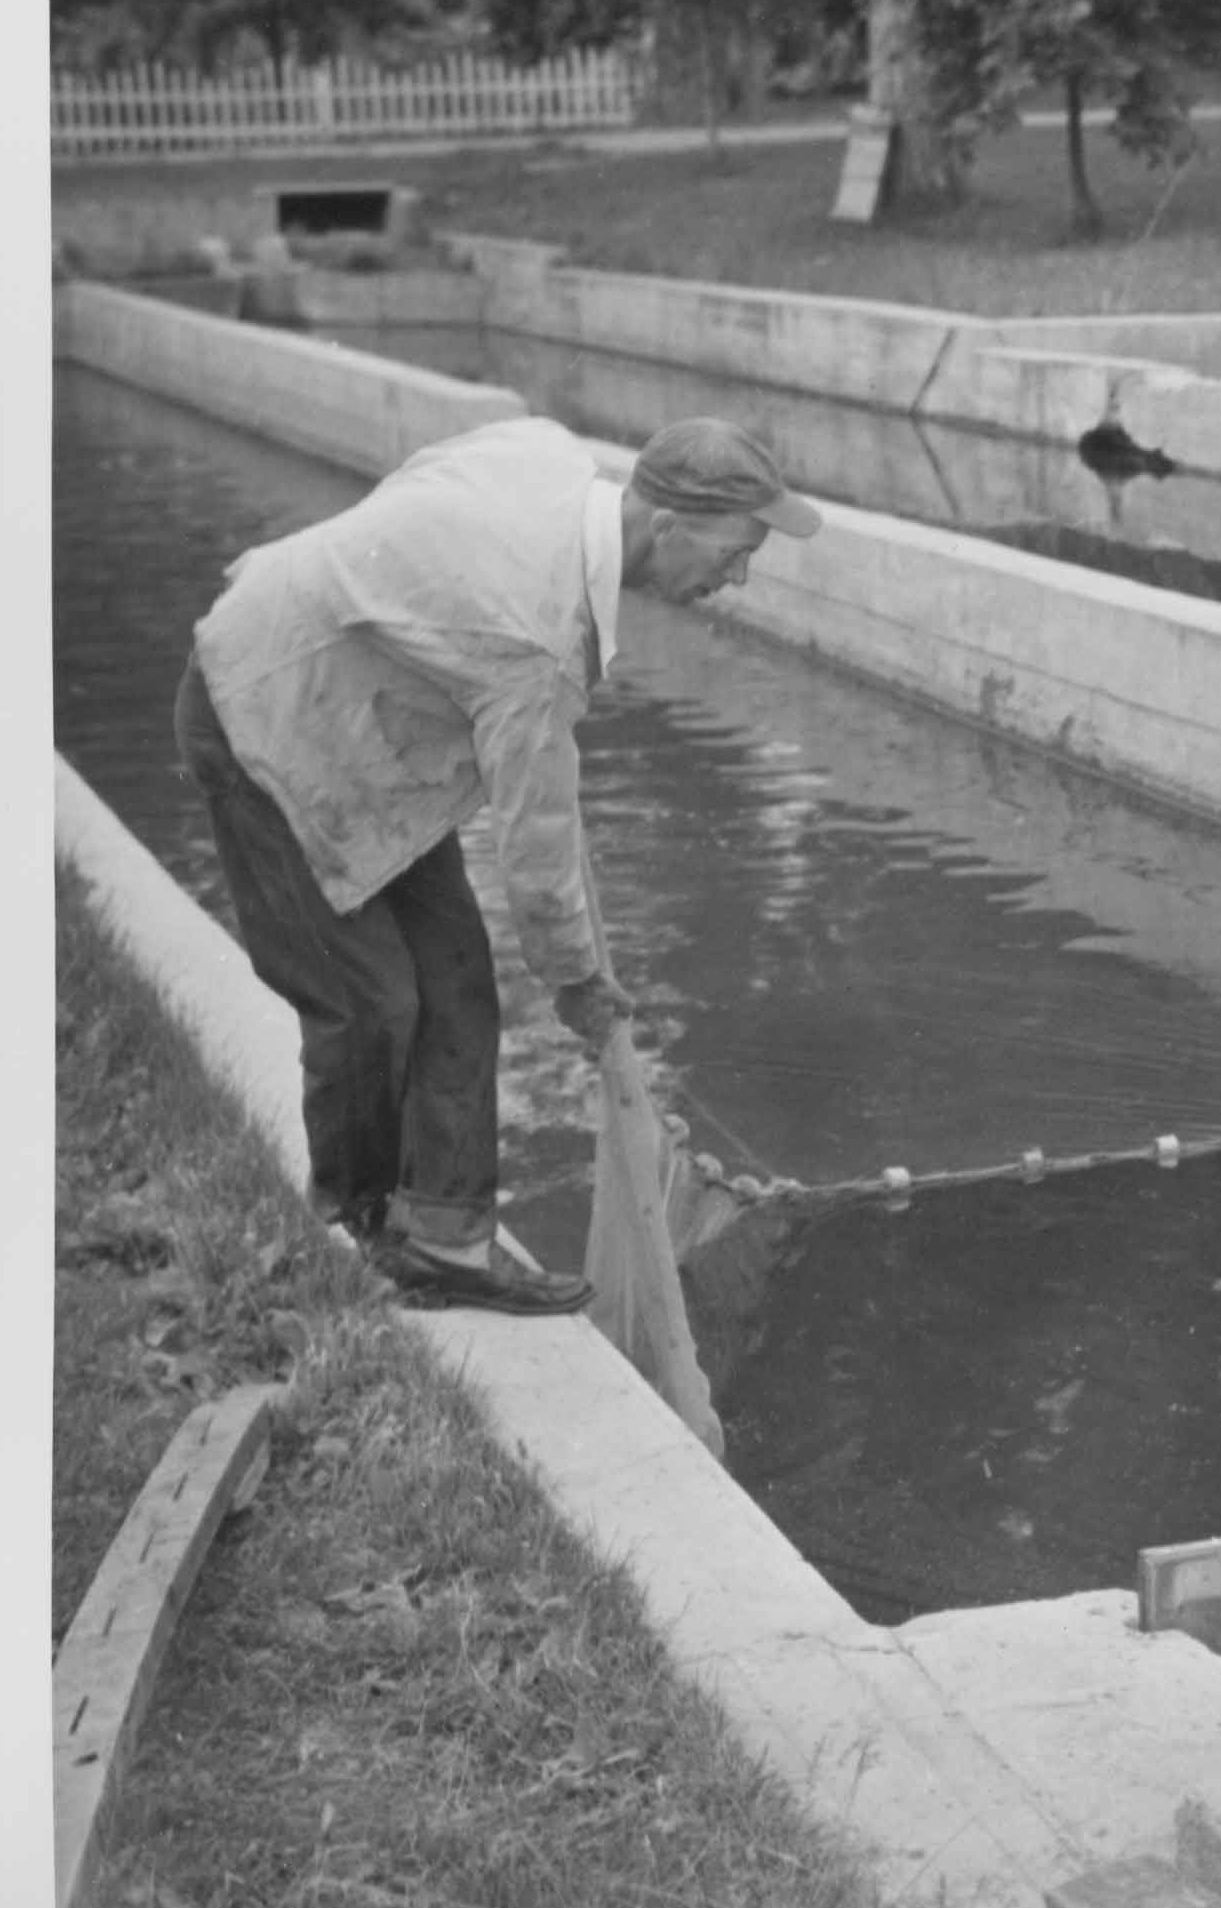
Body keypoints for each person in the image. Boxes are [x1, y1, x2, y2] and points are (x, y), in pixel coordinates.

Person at [175, 414, 821, 1311]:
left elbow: (428, 472)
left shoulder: (550, 452)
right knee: (372, 1003)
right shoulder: (537, 644)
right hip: (262, 713)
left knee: (457, 977)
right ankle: (355, 1237)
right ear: (667, 529)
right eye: (736, 550)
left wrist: (399, 627)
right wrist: (578, 985)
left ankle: (444, 1240)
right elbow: (536, 851)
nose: (740, 575)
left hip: (371, 734)